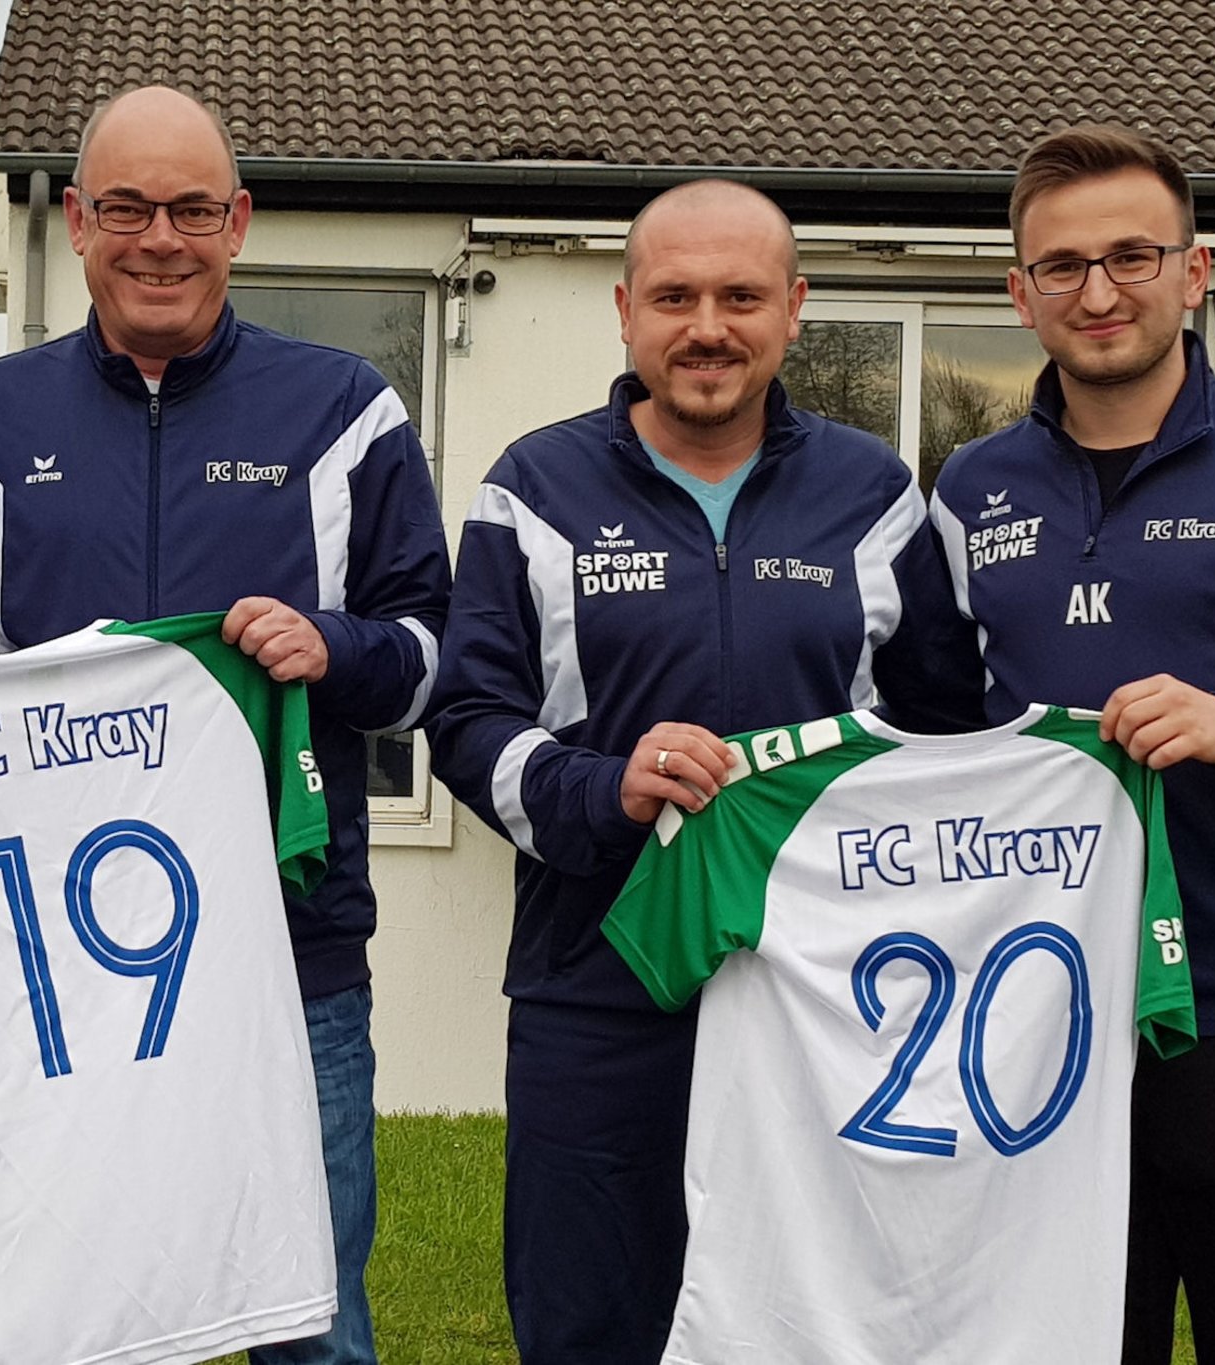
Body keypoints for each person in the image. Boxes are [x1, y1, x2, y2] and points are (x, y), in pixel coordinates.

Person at [0, 85, 449, 1364]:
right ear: (81, 222)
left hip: (286, 960)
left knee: (309, 1324)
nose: (162, 238)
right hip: (46, 973)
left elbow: (434, 658)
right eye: (131, 209)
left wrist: (337, 649)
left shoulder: (345, 413)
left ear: (239, 222)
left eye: (193, 209)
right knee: (58, 1325)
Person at [424, 179, 980, 1362]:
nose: (706, 326)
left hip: (824, 998)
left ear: (794, 311)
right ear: (624, 312)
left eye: (739, 296)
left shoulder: (874, 494)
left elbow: (941, 735)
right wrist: (599, 788)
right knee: (589, 1322)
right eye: (673, 296)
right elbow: (467, 721)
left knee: (817, 1319)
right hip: (596, 989)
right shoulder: (532, 488)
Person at [929, 123, 1215, 1365]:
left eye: (1132, 256)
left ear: (1194, 272)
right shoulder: (967, 491)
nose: (1098, 292)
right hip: (1044, 1011)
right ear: (1018, 296)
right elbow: (925, 734)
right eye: (1062, 266)